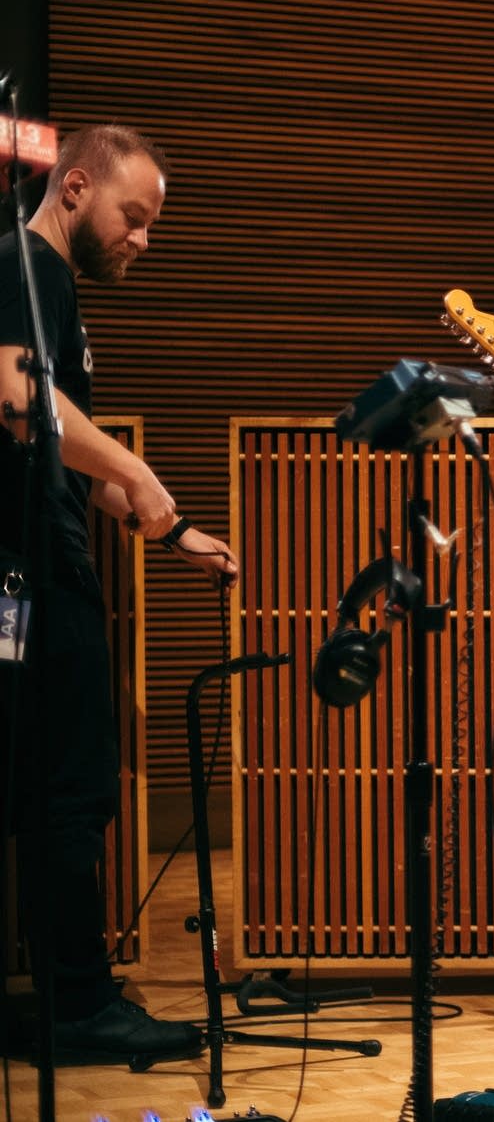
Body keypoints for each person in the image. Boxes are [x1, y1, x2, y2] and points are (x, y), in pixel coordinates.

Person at [0, 123, 238, 1058]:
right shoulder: (23, 264)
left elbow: (65, 447)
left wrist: (171, 526)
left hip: (43, 557)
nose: (142, 239)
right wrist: (136, 471)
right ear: (74, 188)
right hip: (28, 571)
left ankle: (71, 989)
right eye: (132, 217)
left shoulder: (46, 282)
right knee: (69, 783)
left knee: (63, 781)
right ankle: (76, 1006)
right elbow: (21, 401)